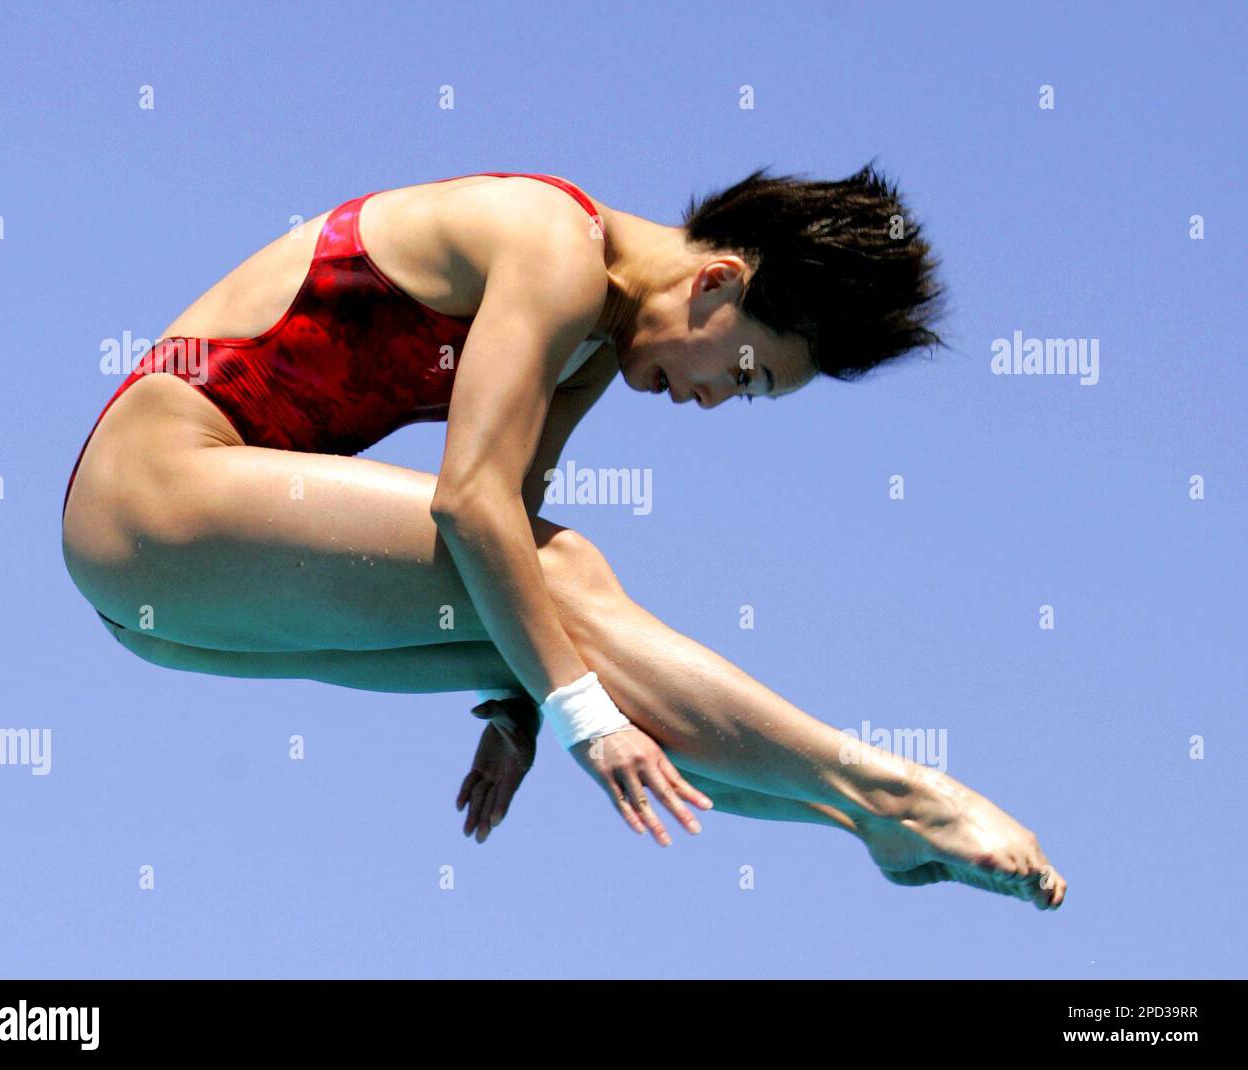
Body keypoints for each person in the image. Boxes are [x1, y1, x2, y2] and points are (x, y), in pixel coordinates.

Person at [61, 168, 1066, 909]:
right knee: (570, 577)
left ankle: (857, 822)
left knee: (563, 634)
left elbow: (495, 556)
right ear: (716, 281)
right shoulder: (553, 246)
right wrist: (583, 715)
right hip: (149, 499)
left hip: (165, 606)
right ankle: (896, 785)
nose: (716, 401)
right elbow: (472, 507)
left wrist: (522, 707)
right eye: (748, 372)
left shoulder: (595, 338)